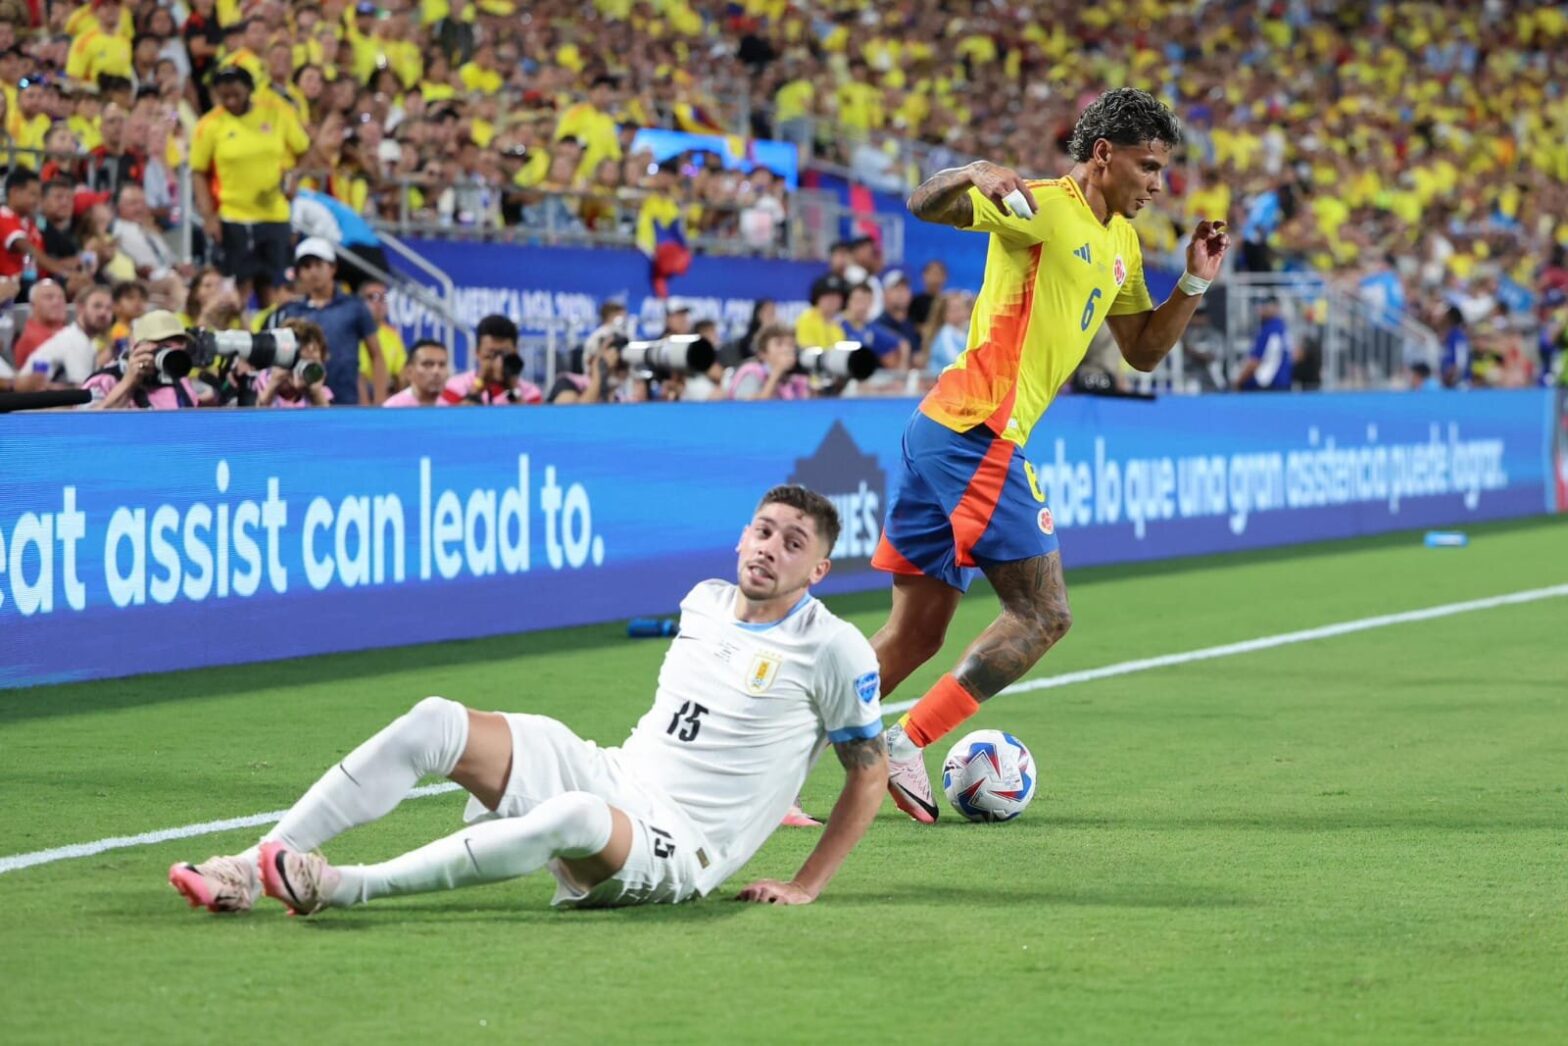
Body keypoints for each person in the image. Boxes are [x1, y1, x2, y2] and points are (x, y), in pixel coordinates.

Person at [169, 486, 887, 914]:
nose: (770, 548)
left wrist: (805, 884)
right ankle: (251, 866)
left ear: (819, 569)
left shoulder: (833, 647)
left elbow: (868, 772)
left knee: (572, 815)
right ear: (742, 535)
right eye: (763, 531)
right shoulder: (704, 600)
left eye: (793, 543)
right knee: (436, 720)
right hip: (616, 776)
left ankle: (340, 886)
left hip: (684, 846)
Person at [874, 88, 1229, 821]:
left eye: (1162, 169)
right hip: (978, 429)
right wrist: (974, 170)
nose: (1157, 184)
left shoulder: (1125, 245)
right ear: (1104, 155)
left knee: (915, 634)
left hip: (941, 430)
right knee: (1043, 615)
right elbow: (922, 205)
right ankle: (903, 741)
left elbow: (1143, 352)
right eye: (1147, 165)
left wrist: (1193, 281)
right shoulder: (1039, 205)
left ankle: (767, 763)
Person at [190, 66, 308, 307]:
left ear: (250, 90)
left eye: (236, 94)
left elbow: (304, 150)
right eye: (224, 97)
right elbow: (198, 172)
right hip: (234, 217)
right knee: (237, 291)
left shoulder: (277, 113)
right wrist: (208, 216)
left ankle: (273, 337)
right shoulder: (210, 124)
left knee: (274, 289)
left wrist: (293, 178)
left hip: (274, 215)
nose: (231, 101)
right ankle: (238, 340)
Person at [269, 238, 387, 405]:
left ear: (333, 268)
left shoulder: (354, 307)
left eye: (319, 264)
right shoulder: (291, 311)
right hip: (302, 402)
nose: (313, 272)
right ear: (299, 273)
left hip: (345, 402)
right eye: (306, 266)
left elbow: (376, 355)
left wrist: (379, 402)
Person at [83, 309, 200, 409]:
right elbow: (83, 426)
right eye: (161, 344)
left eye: (178, 341)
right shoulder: (104, 380)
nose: (172, 349)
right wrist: (128, 382)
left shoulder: (178, 379)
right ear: (137, 346)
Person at [14, 284, 114, 390]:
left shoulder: (86, 340)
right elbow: (84, 391)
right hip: (29, 402)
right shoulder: (73, 340)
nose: (103, 313)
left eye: (109, 308)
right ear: (80, 308)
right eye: (97, 306)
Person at [442, 313, 543, 405]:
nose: (498, 362)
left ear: (516, 352)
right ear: (477, 352)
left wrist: (511, 388)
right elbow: (455, 421)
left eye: (504, 354)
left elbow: (528, 421)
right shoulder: (455, 387)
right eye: (491, 355)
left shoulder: (530, 392)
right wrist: (479, 385)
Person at [253, 318, 332, 408]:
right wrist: (273, 384)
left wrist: (315, 392)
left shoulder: (321, 392)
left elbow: (327, 419)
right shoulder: (266, 380)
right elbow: (258, 415)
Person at [729, 324, 810, 400]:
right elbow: (750, 408)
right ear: (763, 354)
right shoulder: (752, 372)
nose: (787, 349)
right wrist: (777, 371)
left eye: (791, 344)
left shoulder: (797, 381)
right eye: (779, 344)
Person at [357, 279, 406, 402]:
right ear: (359, 303)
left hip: (384, 393)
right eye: (372, 297)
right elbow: (357, 376)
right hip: (355, 394)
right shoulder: (351, 331)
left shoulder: (392, 335)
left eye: (383, 298)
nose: (378, 303)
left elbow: (402, 374)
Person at [1234, 297, 1293, 391]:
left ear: (1275, 307)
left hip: (1268, 384)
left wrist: (1238, 382)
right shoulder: (1282, 327)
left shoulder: (1270, 330)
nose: (1260, 309)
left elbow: (1255, 361)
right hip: (1283, 381)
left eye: (1265, 306)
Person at [11, 279, 69, 368]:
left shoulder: (68, 331)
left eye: (61, 297)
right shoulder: (30, 338)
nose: (57, 302)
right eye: (49, 297)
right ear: (33, 305)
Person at [382, 339, 452, 407]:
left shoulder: (452, 406)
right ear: (409, 372)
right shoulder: (393, 408)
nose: (436, 371)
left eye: (442, 365)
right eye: (427, 364)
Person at [794, 275, 847, 351]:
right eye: (827, 296)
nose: (832, 301)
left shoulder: (843, 320)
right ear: (817, 298)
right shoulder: (807, 319)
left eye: (836, 297)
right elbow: (807, 350)